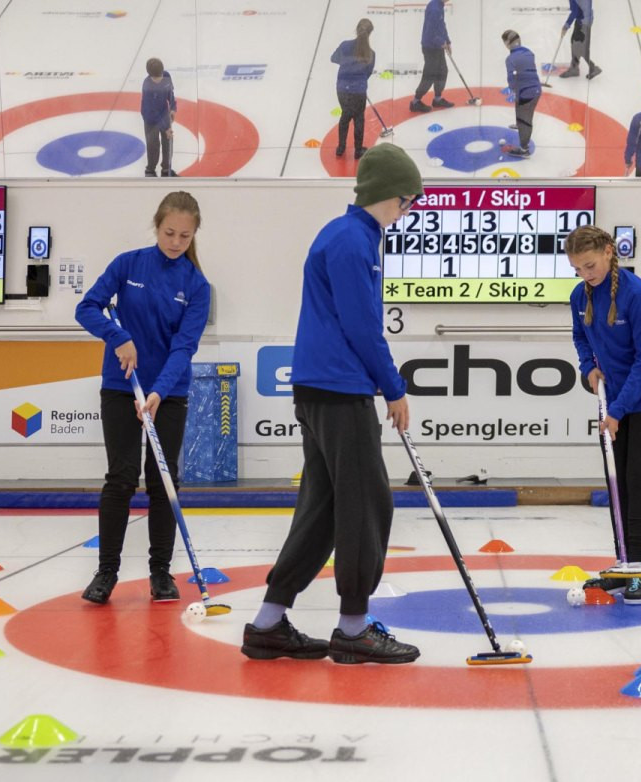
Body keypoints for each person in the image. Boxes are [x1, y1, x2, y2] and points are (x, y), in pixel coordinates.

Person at [241, 144, 423, 665]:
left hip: (323, 387)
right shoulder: (352, 241)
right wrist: (393, 387)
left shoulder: (345, 234)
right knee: (368, 502)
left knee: (321, 509)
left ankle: (269, 624)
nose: (405, 212)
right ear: (390, 193)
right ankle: (353, 628)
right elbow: (362, 325)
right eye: (406, 201)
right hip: (340, 390)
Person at [75, 192, 211, 605]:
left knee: (162, 482)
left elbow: (184, 348)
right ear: (156, 227)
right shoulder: (127, 264)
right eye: (169, 233)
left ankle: (161, 573)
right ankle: (106, 572)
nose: (175, 242)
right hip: (121, 386)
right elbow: (87, 308)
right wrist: (120, 337)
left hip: (168, 394)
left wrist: (158, 391)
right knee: (120, 477)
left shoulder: (197, 285)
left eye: (184, 236)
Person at [567, 225, 641, 605]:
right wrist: (587, 368)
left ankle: (636, 572)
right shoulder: (579, 296)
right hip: (611, 397)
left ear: (610, 252)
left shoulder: (639, 295)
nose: (585, 275)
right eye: (578, 269)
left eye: (590, 265)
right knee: (616, 484)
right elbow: (580, 337)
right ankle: (621, 562)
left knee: (636, 480)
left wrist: (617, 411)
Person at [331, 19, 376, 160]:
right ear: (369, 34)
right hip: (358, 90)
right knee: (358, 118)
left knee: (345, 116)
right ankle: (358, 150)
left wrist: (346, 63)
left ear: (356, 30)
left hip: (342, 89)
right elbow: (368, 72)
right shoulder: (370, 53)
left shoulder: (345, 46)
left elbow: (334, 58)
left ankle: (341, 147)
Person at [501, 30, 541, 159]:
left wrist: (513, 88)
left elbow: (511, 79)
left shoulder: (510, 59)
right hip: (535, 90)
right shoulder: (529, 53)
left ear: (507, 43)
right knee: (520, 106)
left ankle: (524, 149)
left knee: (526, 120)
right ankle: (519, 123)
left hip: (527, 93)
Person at [410, 0, 453, 113]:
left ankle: (437, 99)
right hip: (430, 48)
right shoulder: (434, 9)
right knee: (430, 76)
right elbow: (430, 33)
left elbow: (441, 25)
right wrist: (441, 42)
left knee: (443, 71)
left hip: (438, 47)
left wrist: (447, 41)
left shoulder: (440, 5)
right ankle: (415, 102)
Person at [140, 58, 178, 177]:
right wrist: (166, 128)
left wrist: (172, 108)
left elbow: (170, 93)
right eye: (156, 77)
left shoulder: (166, 76)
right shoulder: (148, 87)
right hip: (151, 118)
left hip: (163, 113)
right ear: (150, 75)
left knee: (168, 141)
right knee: (153, 144)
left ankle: (166, 168)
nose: (160, 79)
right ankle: (150, 169)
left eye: (160, 75)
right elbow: (152, 111)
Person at [560, 0, 601, 79]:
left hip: (583, 22)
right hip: (583, 19)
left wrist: (566, 26)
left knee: (580, 46)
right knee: (574, 42)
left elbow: (575, 11)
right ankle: (574, 68)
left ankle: (592, 68)